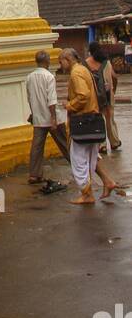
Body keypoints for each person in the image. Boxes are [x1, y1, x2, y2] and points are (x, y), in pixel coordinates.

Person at [58, 47, 116, 204]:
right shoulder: (84, 69)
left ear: (68, 60)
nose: (60, 65)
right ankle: (94, 188)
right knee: (90, 158)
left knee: (78, 159)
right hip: (92, 119)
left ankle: (87, 194)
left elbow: (83, 95)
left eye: (61, 61)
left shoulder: (76, 73)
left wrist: (69, 105)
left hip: (82, 120)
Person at [26, 50, 69, 183]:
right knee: (65, 144)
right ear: (47, 61)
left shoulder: (29, 77)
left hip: (38, 117)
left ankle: (34, 174)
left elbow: (29, 98)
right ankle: (80, 166)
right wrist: (54, 118)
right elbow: (51, 100)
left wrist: (34, 113)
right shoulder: (49, 77)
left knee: (37, 147)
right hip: (52, 117)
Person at [87, 41, 122, 152]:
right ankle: (114, 142)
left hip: (95, 96)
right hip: (108, 95)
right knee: (110, 118)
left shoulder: (87, 63)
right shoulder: (106, 62)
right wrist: (113, 90)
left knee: (99, 119)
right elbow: (115, 77)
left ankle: (101, 144)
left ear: (90, 51)